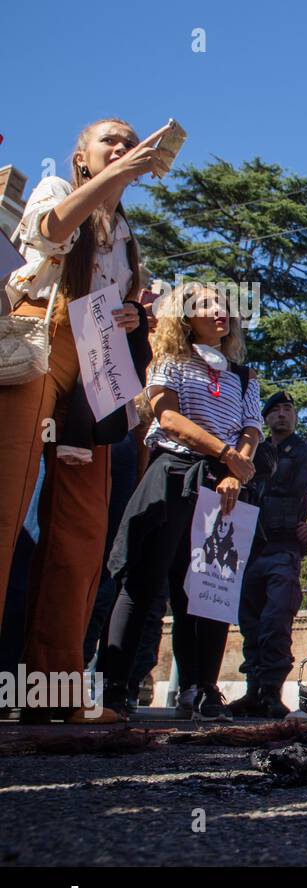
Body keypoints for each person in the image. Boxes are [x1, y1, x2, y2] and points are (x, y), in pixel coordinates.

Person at [0, 117, 169, 723]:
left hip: (97, 364)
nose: (123, 149)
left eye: (130, 143)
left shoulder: (125, 232)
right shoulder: (53, 188)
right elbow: (45, 235)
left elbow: (115, 300)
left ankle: (57, 690)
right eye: (111, 142)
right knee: (7, 507)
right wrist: (117, 177)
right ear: (81, 156)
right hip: (39, 343)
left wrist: (128, 315)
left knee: (81, 529)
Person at [99, 281, 263, 721]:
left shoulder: (244, 376)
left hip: (221, 487)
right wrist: (225, 454)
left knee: (210, 589)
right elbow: (168, 417)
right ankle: (115, 684)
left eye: (224, 305)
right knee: (144, 580)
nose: (219, 312)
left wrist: (236, 470)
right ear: (184, 317)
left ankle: (201, 687)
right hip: (173, 474)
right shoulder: (169, 361)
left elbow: (252, 429)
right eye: (206, 305)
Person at [232, 390, 307, 718]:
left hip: (284, 548)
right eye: (276, 410)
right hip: (251, 546)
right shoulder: (254, 452)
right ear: (266, 417)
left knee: (276, 620)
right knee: (251, 621)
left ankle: (271, 690)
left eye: (288, 409)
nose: (282, 414)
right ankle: (253, 691)